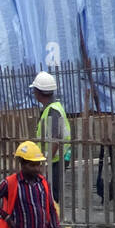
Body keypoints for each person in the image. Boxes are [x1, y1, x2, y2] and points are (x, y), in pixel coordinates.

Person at [31, 71, 70, 214]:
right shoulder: (53, 108)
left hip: (55, 160)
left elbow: (55, 139)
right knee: (50, 196)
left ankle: (54, 226)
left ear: (38, 92)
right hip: (56, 159)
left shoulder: (53, 110)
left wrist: (45, 163)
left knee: (51, 197)